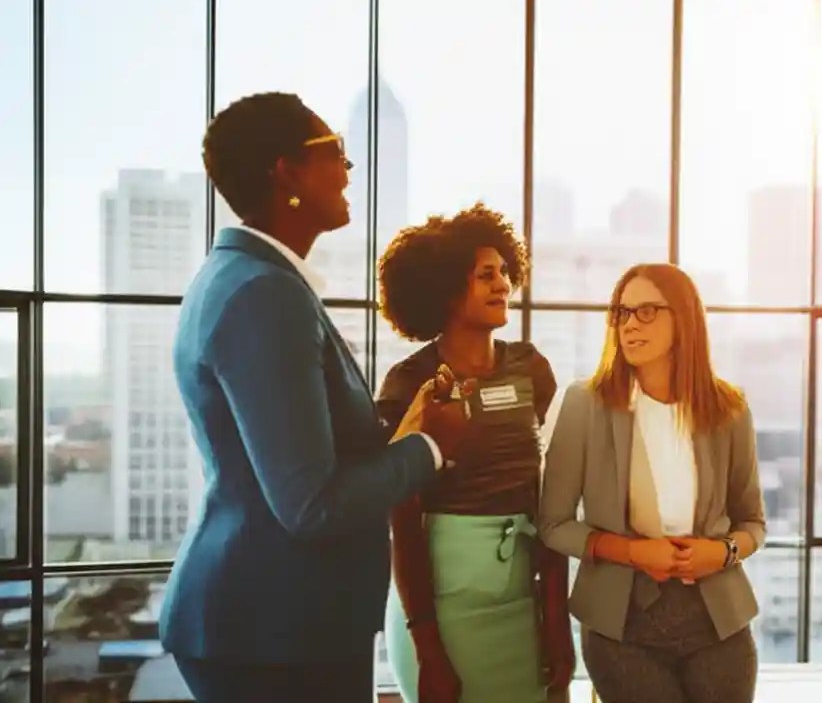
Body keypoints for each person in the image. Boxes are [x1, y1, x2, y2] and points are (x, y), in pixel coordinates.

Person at [160, 93, 472, 702]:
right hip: (274, 635)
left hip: (276, 626)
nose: (349, 170)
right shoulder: (263, 294)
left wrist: (404, 433)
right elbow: (310, 504)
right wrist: (431, 447)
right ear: (289, 172)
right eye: (335, 152)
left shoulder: (243, 277)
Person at [374, 203, 574, 703]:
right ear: (444, 287)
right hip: (440, 611)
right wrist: (428, 649)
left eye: (505, 272)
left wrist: (556, 620)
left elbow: (545, 496)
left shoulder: (531, 368)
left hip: (520, 600)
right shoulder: (408, 382)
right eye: (486, 275)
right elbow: (401, 519)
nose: (502, 284)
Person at [539, 263, 765, 703]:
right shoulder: (584, 405)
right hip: (621, 628)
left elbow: (753, 522)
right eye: (622, 313)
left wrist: (721, 552)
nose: (629, 325)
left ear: (683, 318)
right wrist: (632, 552)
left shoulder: (728, 410)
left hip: (719, 624)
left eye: (646, 311)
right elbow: (554, 525)